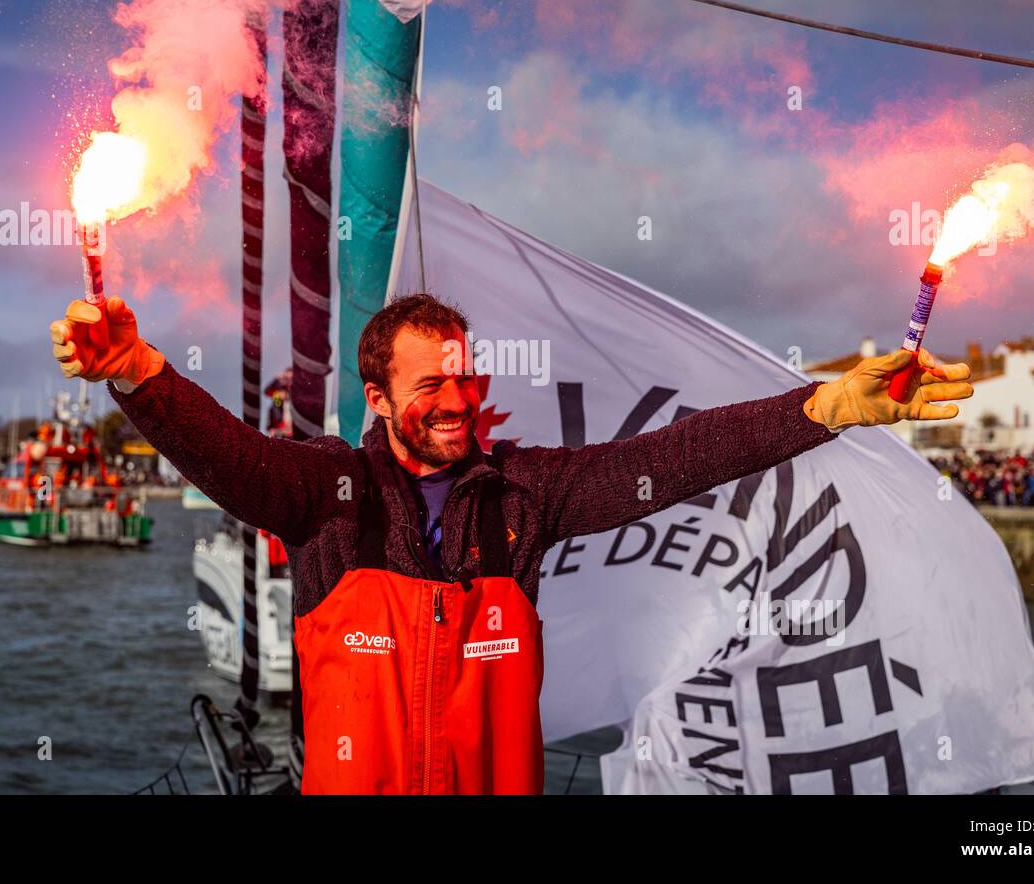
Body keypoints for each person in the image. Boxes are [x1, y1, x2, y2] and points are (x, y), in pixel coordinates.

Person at [48, 292, 973, 794]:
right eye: (428, 388)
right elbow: (227, 455)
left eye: (464, 376)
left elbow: (678, 455)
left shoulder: (528, 494)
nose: (455, 400)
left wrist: (833, 405)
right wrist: (137, 371)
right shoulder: (325, 494)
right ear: (377, 400)